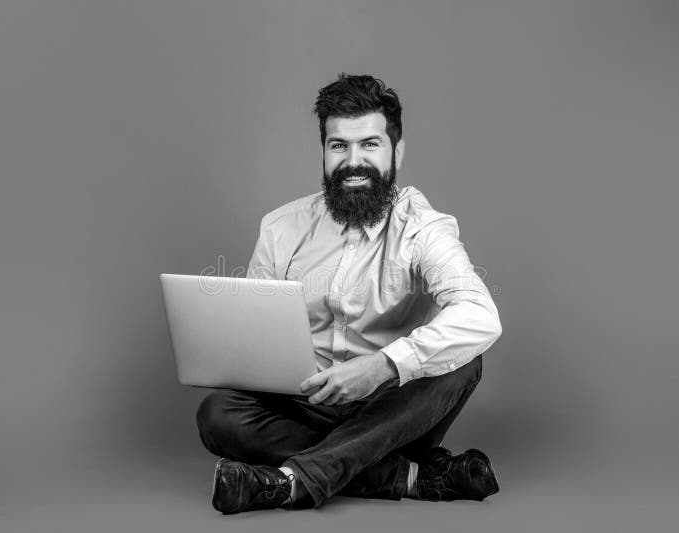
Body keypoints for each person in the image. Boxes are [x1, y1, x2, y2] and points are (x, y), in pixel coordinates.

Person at [196, 73, 503, 514]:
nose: (352, 161)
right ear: (323, 151)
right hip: (306, 402)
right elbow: (254, 338)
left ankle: (287, 484)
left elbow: (480, 314)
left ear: (396, 151)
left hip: (393, 410)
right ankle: (417, 477)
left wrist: (381, 367)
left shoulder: (422, 228)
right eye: (339, 145)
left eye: (370, 145)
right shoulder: (281, 228)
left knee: (465, 360)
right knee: (216, 415)